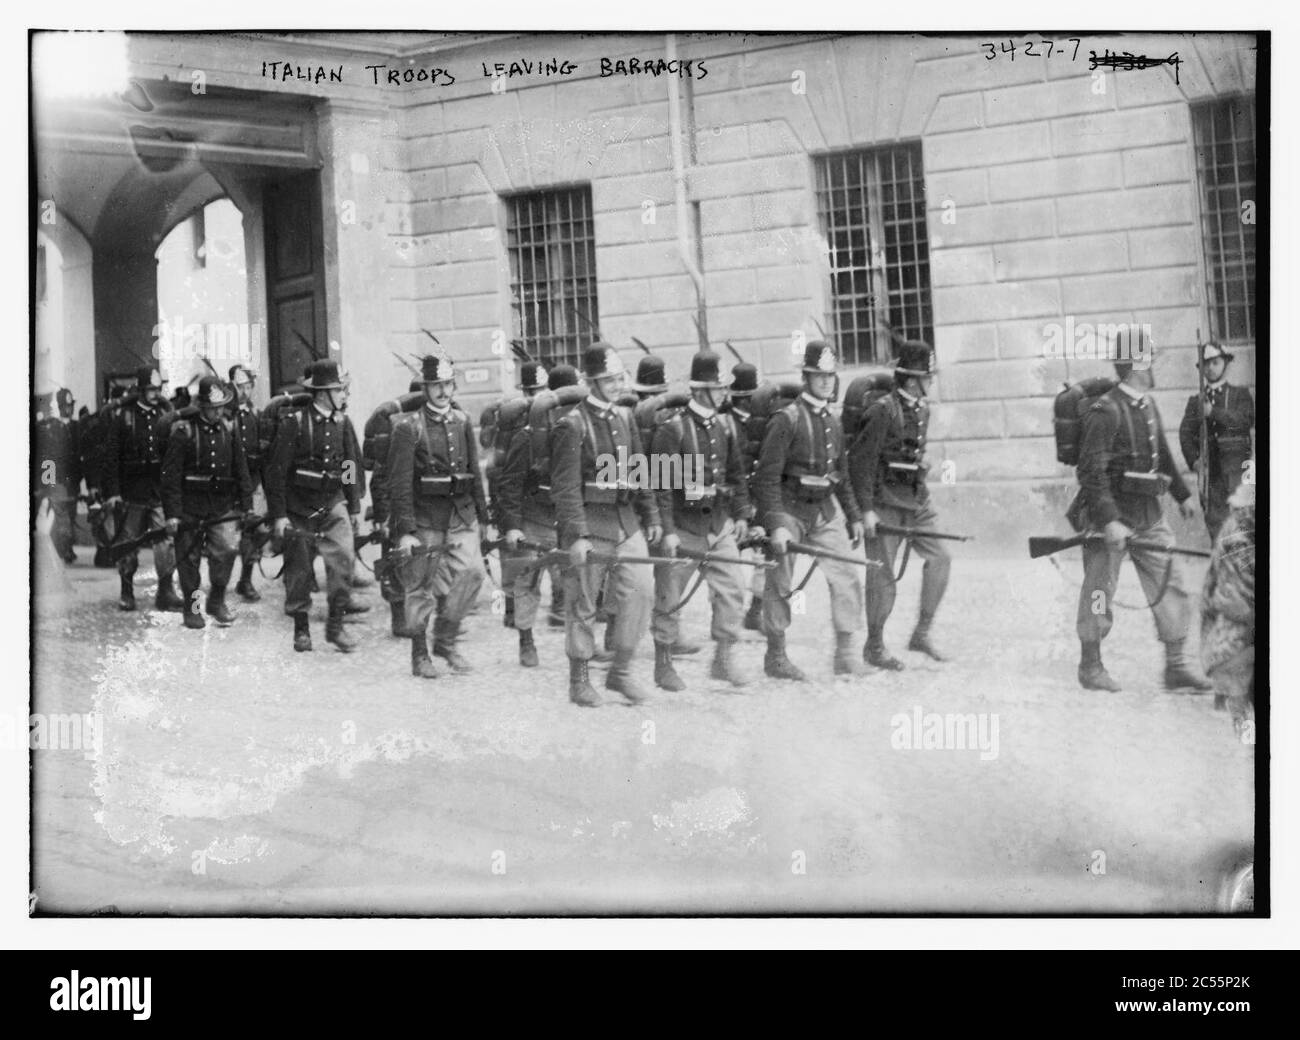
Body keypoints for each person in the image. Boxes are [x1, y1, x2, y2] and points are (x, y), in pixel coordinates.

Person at [1069, 334, 1212, 692]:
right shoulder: (1106, 410)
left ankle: (1177, 666)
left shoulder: (1147, 405)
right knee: (1099, 591)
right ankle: (1091, 666)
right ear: (1135, 366)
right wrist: (1108, 520)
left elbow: (1161, 453)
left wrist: (1181, 495)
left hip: (1148, 514)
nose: (1154, 366)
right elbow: (1090, 472)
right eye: (1149, 359)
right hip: (1111, 519)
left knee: (1173, 583)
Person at [551, 344, 662, 707]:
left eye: (619, 378)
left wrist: (652, 516)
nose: (616, 385)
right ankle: (579, 680)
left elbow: (639, 471)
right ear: (590, 381)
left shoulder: (625, 418)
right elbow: (565, 487)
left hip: (626, 522)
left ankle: (622, 670)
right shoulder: (573, 424)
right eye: (607, 379)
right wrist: (577, 535)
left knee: (642, 590)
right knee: (583, 604)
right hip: (592, 524)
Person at [753, 339, 865, 680]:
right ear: (806, 377)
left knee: (846, 572)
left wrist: (855, 516)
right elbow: (766, 478)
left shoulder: (833, 421)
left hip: (824, 510)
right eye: (819, 376)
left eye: (831, 376)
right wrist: (777, 524)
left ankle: (845, 653)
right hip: (788, 507)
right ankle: (776, 655)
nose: (827, 382)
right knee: (780, 578)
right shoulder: (786, 419)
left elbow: (841, 476)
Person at [649, 349, 754, 689]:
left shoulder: (725, 426)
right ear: (698, 390)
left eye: (724, 387)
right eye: (717, 387)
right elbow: (661, 486)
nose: (724, 393)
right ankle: (663, 663)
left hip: (718, 525)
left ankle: (722, 660)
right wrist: (667, 530)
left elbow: (737, 475)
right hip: (683, 525)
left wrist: (740, 514)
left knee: (733, 588)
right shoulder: (673, 430)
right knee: (669, 595)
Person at [386, 354, 489, 679]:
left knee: (472, 573)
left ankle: (445, 639)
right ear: (425, 388)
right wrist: (405, 530)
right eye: (436, 385)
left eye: (448, 384)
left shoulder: (461, 420)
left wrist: (484, 518)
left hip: (460, 514)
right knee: (421, 584)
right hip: (425, 516)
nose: (443, 391)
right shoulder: (408, 427)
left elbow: (474, 470)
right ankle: (420, 653)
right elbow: (399, 483)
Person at [850, 340, 951, 669]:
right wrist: (865, 510)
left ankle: (921, 633)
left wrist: (921, 463)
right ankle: (874, 644)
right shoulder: (883, 410)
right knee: (883, 577)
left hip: (915, 499)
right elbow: (861, 462)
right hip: (884, 502)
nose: (931, 382)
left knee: (940, 558)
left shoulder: (922, 408)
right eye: (927, 377)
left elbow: (911, 449)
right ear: (912, 380)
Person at [265, 359, 365, 653]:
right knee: (298, 570)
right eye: (339, 390)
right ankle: (301, 628)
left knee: (344, 558)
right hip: (299, 508)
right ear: (323, 393)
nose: (344, 395)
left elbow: (349, 464)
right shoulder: (293, 424)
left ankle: (336, 626)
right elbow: (277, 473)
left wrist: (353, 505)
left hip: (332, 504)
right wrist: (280, 516)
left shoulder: (343, 423)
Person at [498, 363, 581, 668]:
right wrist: (512, 526)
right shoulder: (528, 437)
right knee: (528, 581)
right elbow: (510, 484)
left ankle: (579, 644)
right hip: (535, 518)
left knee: (575, 583)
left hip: (567, 519)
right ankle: (526, 639)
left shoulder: (580, 430)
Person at [160, 376, 254, 629]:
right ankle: (192, 610)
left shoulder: (229, 429)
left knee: (226, 549)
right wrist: (172, 513)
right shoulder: (184, 431)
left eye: (221, 406)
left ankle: (217, 600)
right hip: (189, 506)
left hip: (220, 506)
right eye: (212, 407)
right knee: (188, 560)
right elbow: (170, 476)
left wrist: (247, 505)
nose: (217, 411)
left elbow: (241, 468)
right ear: (201, 406)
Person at [104, 366, 183, 612]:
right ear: (140, 389)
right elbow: (111, 458)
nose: (154, 393)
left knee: (165, 540)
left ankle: (166, 590)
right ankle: (127, 591)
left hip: (158, 489)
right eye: (150, 388)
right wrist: (113, 492)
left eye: (157, 389)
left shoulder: (166, 414)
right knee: (129, 542)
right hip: (132, 491)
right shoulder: (124, 416)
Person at [1178, 342, 1255, 541]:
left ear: (1225, 363)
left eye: (1215, 362)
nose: (1211, 368)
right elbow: (1185, 434)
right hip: (1211, 478)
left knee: (1242, 531)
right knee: (1217, 529)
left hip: (1237, 474)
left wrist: (1214, 413)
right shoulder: (1195, 401)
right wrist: (1195, 462)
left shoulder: (1240, 395)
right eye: (1207, 364)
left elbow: (1245, 420)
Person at [724, 363, 766, 631]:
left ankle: (756, 610)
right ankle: (727, 617)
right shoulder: (725, 422)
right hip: (731, 503)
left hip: (757, 498)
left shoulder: (761, 422)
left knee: (764, 555)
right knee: (727, 563)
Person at [227, 364, 268, 601]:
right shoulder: (226, 417)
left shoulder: (256, 415)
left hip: (252, 483)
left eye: (248, 386)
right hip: (229, 485)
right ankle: (219, 582)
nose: (245, 391)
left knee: (258, 531)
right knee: (226, 539)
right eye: (240, 386)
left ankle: (246, 578)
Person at [33, 388, 81, 564]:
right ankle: (61, 551)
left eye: (71, 405)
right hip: (57, 482)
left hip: (72, 482)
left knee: (71, 515)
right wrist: (48, 483)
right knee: (62, 518)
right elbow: (47, 457)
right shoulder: (50, 427)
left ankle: (66, 548)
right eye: (66, 406)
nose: (69, 409)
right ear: (60, 407)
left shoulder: (76, 426)